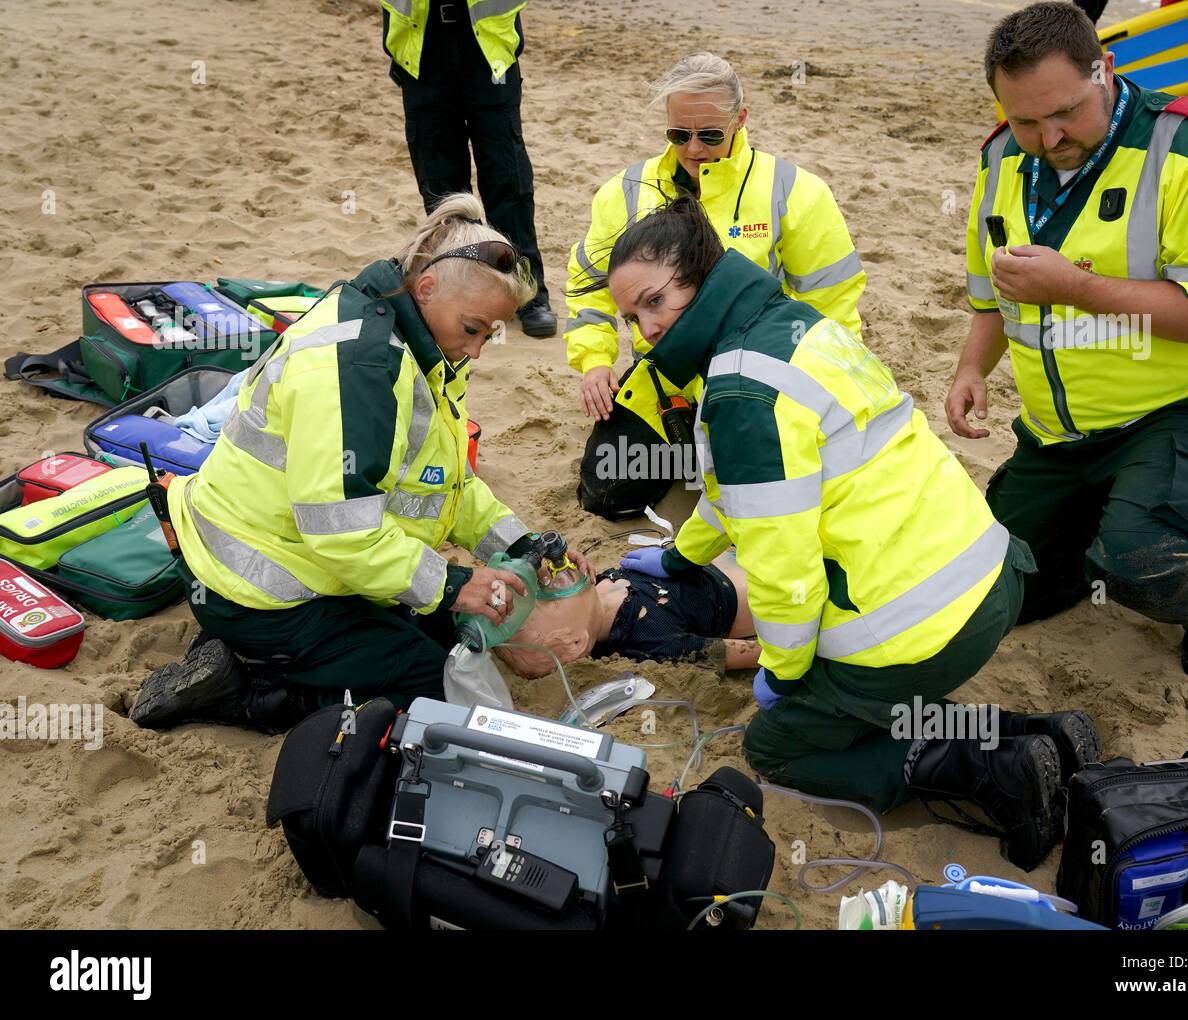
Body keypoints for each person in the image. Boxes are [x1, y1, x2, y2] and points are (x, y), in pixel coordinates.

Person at [591, 194, 1101, 872]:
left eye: (655, 302)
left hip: (916, 625)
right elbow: (738, 495)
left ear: (703, 276)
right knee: (858, 697)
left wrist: (785, 669)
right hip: (991, 577)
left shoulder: (742, 394)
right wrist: (682, 557)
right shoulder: (797, 326)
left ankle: (997, 772)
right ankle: (1043, 737)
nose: (645, 330)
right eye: (631, 316)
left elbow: (785, 572)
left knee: (778, 745)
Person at [130, 193, 592, 732]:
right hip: (257, 585)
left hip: (302, 560)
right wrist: (450, 585)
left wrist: (522, 547)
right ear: (426, 288)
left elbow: (448, 483)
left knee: (442, 633)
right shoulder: (362, 369)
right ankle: (244, 691)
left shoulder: (414, 340)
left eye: (489, 333)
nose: (477, 351)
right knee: (429, 685)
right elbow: (341, 533)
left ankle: (262, 652)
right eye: (474, 329)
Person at [946, 2, 1188, 688]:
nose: (1049, 135)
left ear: (1107, 68)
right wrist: (972, 367)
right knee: (993, 588)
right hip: (1059, 435)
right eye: (1026, 119)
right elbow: (994, 296)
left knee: (1145, 561)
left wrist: (1079, 289)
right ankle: (1096, 535)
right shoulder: (1002, 156)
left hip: (1187, 409)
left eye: (1065, 111)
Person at [566, 52, 866, 519]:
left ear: (740, 119)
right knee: (607, 493)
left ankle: (715, 460)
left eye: (709, 134)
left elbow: (832, 307)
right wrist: (594, 361)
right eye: (678, 134)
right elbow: (589, 283)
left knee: (768, 501)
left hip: (761, 382)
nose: (693, 149)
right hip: (664, 381)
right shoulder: (625, 190)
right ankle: (692, 456)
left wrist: (822, 399)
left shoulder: (793, 191)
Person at [380, 0, 556, 337]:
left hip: (486, 42)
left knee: (507, 177)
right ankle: (461, 285)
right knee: (440, 181)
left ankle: (527, 289)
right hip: (421, 42)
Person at [492, 552, 761, 679]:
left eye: (537, 588)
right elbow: (751, 653)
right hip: (767, 587)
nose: (547, 583)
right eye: (548, 604)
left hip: (725, 547)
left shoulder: (601, 584)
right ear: (577, 642)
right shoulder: (653, 639)